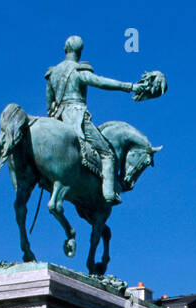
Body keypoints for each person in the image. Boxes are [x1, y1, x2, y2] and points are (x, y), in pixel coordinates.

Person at [45, 35, 140, 205]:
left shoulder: (52, 73)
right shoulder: (79, 71)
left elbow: (49, 102)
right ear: (80, 52)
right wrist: (130, 87)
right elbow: (101, 82)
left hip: (56, 119)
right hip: (76, 116)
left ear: (65, 49)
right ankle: (109, 193)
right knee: (107, 153)